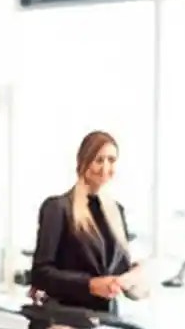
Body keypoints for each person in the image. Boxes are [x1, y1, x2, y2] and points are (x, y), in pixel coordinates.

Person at [29, 130, 141, 313]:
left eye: (111, 160)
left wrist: (133, 276)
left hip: (106, 319)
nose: (105, 168)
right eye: (99, 160)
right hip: (66, 318)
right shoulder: (58, 208)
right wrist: (90, 285)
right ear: (83, 162)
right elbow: (41, 274)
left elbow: (118, 270)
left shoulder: (116, 212)